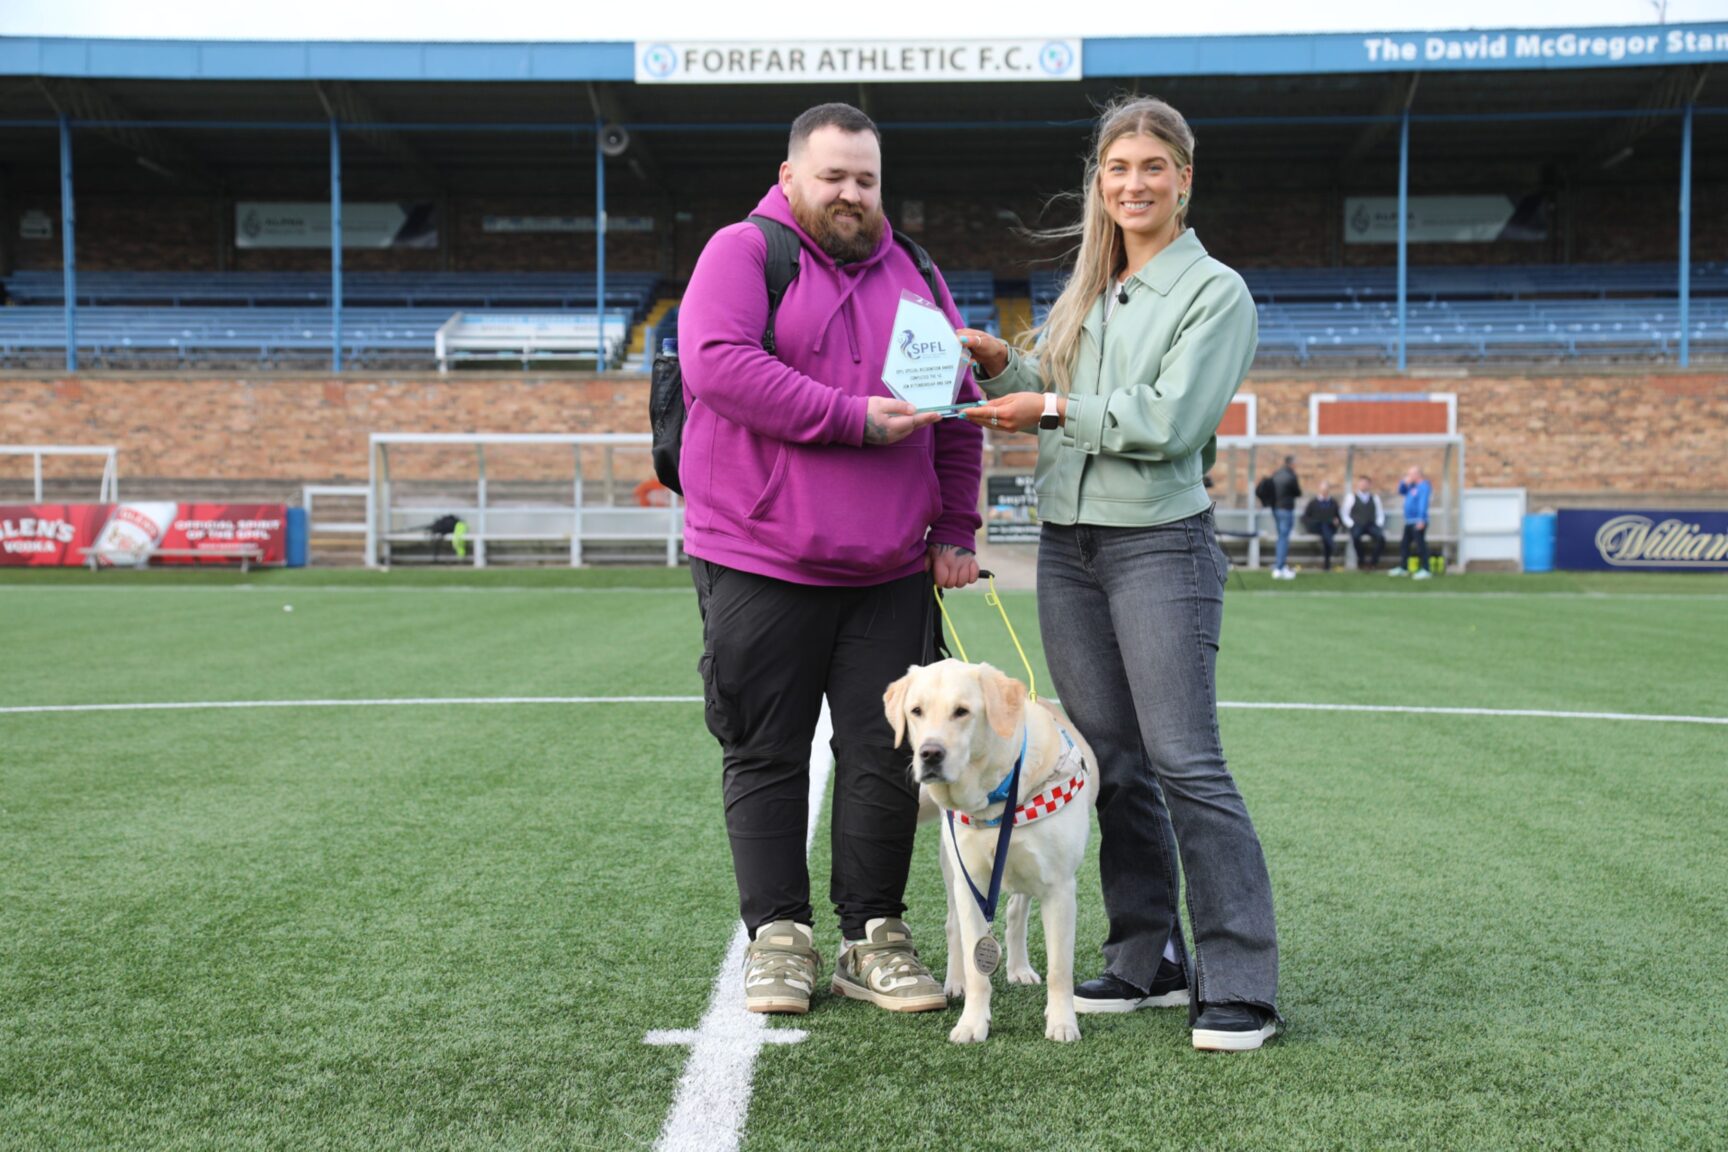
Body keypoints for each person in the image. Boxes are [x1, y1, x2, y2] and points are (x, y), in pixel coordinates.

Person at [956, 95, 1280, 1051]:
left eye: (1151, 167)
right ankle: (1146, 955)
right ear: (1098, 182)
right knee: (1116, 767)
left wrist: (1045, 405)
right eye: (1116, 169)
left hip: (1158, 546)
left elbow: (1168, 421)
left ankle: (1242, 978)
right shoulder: (1090, 287)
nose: (1132, 184)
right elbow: (1060, 392)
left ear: (1184, 177)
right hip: (1071, 548)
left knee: (1186, 762)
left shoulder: (1216, 292)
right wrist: (1004, 365)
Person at [678, 103, 984, 1016]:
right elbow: (718, 363)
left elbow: (956, 407)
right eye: (833, 177)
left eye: (866, 179)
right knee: (764, 749)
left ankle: (874, 935)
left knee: (887, 755)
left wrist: (957, 529)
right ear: (790, 178)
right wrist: (850, 415)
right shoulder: (744, 252)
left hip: (889, 566)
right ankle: (778, 937)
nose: (851, 194)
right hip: (758, 554)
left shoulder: (918, 273)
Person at [1391, 465, 1433, 580]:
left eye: (1411, 474)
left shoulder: (1424, 486)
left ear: (1418, 474)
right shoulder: (1411, 486)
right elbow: (1401, 491)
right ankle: (1403, 568)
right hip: (1409, 521)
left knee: (1421, 546)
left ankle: (1426, 569)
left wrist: (1421, 519)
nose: (1408, 476)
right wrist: (1404, 482)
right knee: (1404, 545)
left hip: (1418, 521)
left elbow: (1423, 503)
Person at [1342, 475, 1386, 569]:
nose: (1363, 485)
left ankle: (1373, 562)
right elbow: (1345, 513)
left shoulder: (1375, 498)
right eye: (1361, 483)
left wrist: (1379, 523)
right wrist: (1351, 524)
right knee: (1356, 537)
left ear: (1369, 485)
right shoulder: (1351, 497)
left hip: (1371, 524)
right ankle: (1361, 560)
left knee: (1381, 538)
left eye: (1365, 483)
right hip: (1357, 524)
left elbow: (1380, 512)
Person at [1301, 481, 1345, 571]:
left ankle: (1327, 564)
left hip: (1329, 528)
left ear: (1328, 490)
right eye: (1322, 490)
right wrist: (1312, 523)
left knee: (1326, 531)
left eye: (1326, 490)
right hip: (1316, 527)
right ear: (1319, 490)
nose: (1324, 492)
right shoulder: (1313, 503)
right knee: (1324, 527)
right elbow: (1305, 517)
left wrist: (1337, 521)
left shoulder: (1333, 503)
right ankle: (1332, 551)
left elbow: (1339, 518)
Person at [1271, 456, 1301, 579]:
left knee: (1280, 537)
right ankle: (1280, 567)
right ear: (1292, 464)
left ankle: (1279, 565)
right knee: (1283, 537)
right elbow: (1298, 492)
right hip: (1286, 509)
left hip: (1276, 509)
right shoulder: (1291, 476)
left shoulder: (1276, 474)